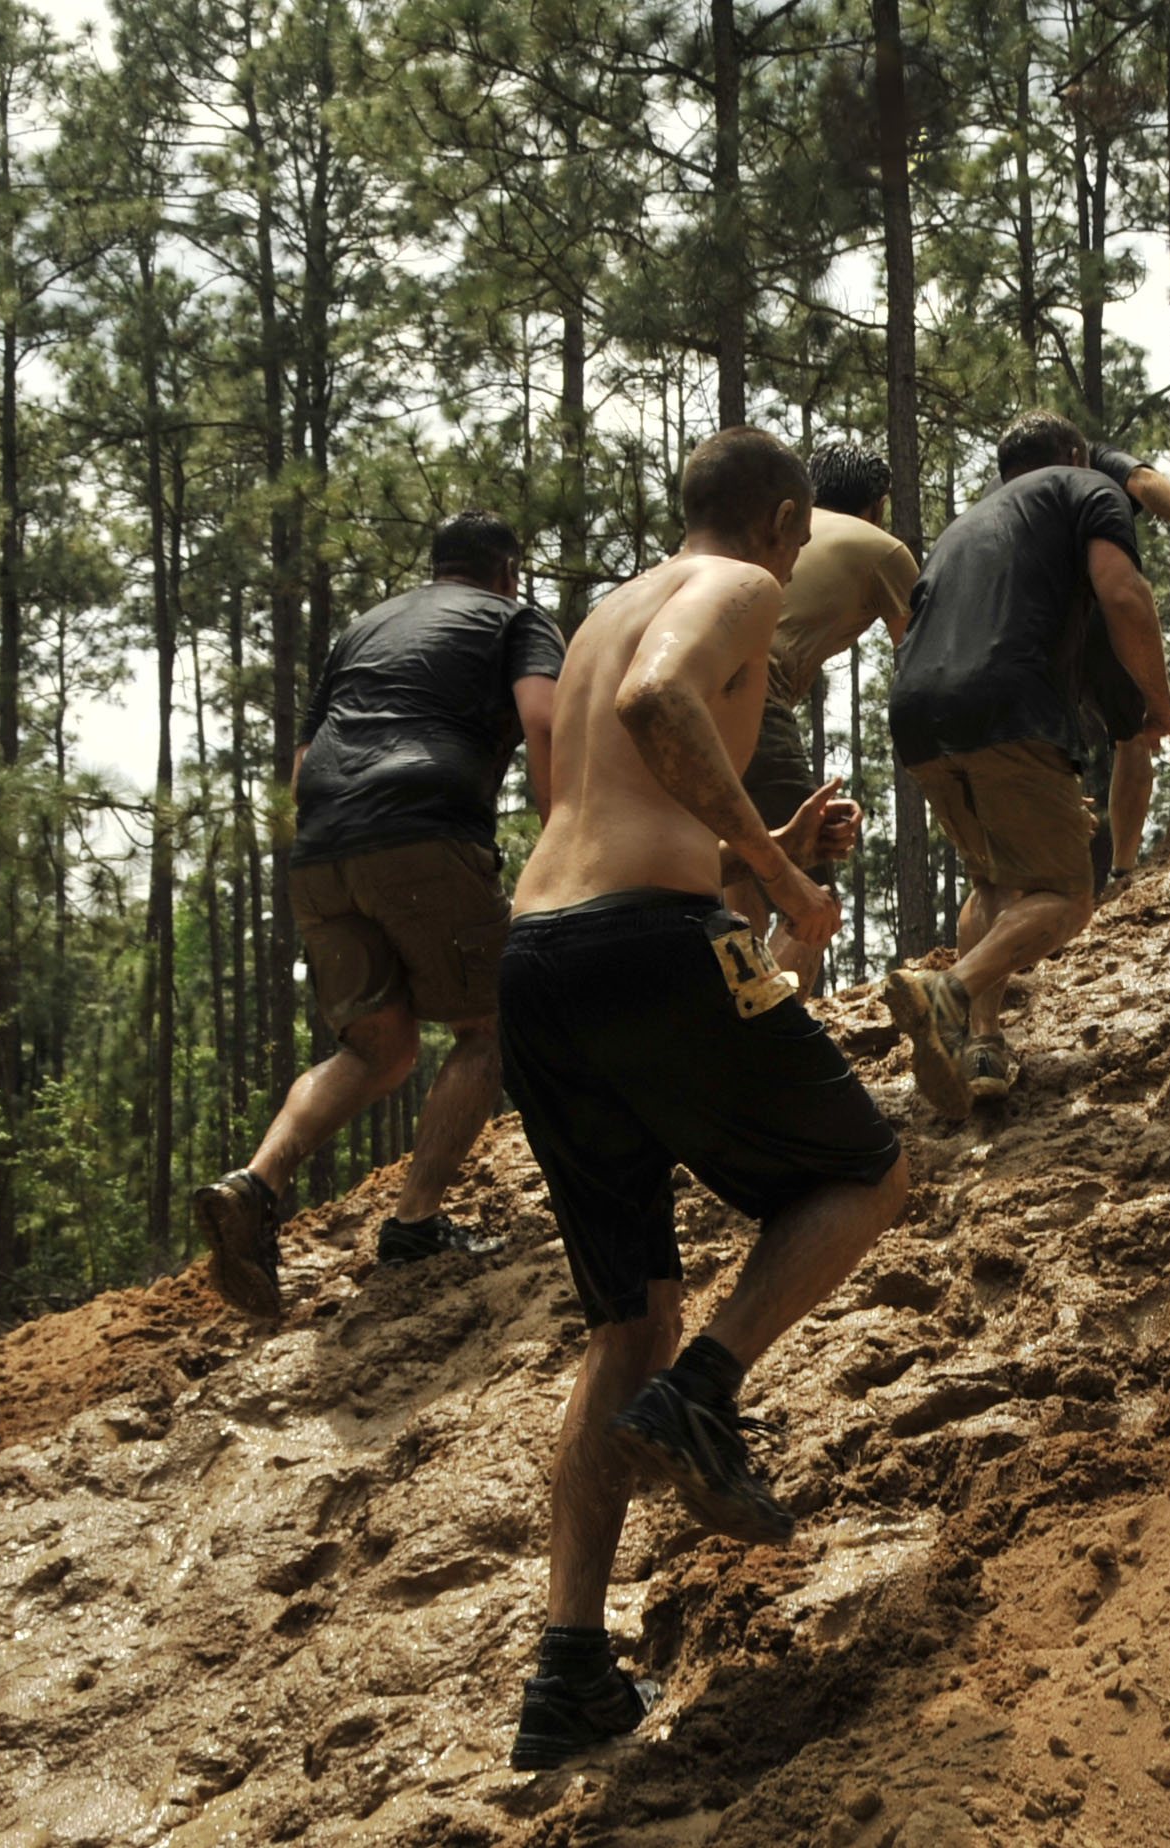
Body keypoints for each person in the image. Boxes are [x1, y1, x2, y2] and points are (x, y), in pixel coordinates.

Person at [497, 427, 910, 1770]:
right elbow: (660, 705)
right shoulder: (733, 585)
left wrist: (764, 846)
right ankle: (709, 1391)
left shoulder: (608, 608)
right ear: (784, 522)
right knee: (869, 1172)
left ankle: (569, 1669)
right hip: (648, 948)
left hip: (543, 960)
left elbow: (620, 794)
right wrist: (782, 883)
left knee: (627, 1323)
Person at [193, 511, 563, 1317]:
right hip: (423, 829)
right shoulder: (516, 619)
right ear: (508, 571)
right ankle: (415, 1223)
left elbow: (302, 767)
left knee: (377, 1047)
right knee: (492, 1024)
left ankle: (256, 1183)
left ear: (437, 566)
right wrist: (563, 838)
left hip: (322, 847)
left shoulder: (361, 631)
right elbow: (542, 720)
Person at [883, 411, 1170, 1115]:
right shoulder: (1087, 488)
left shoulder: (967, 525)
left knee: (995, 881)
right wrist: (1161, 705)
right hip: (1007, 704)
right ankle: (947, 993)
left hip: (915, 714)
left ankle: (982, 1044)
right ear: (1077, 455)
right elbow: (1123, 594)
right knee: (1066, 897)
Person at [723, 441, 919, 981]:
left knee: (739, 875)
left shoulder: (768, 537)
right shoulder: (882, 547)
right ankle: (771, 1027)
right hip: (755, 698)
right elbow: (920, 661)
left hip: (693, 697)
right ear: (878, 505)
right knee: (812, 901)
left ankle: (732, 1012)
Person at [1073, 441, 1170, 891]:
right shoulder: (1081, 461)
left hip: (1040, 623)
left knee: (1128, 731)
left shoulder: (1014, 482)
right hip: (1066, 615)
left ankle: (1119, 874)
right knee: (1131, 733)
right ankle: (1117, 871)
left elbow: (1145, 481)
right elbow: (1142, 481)